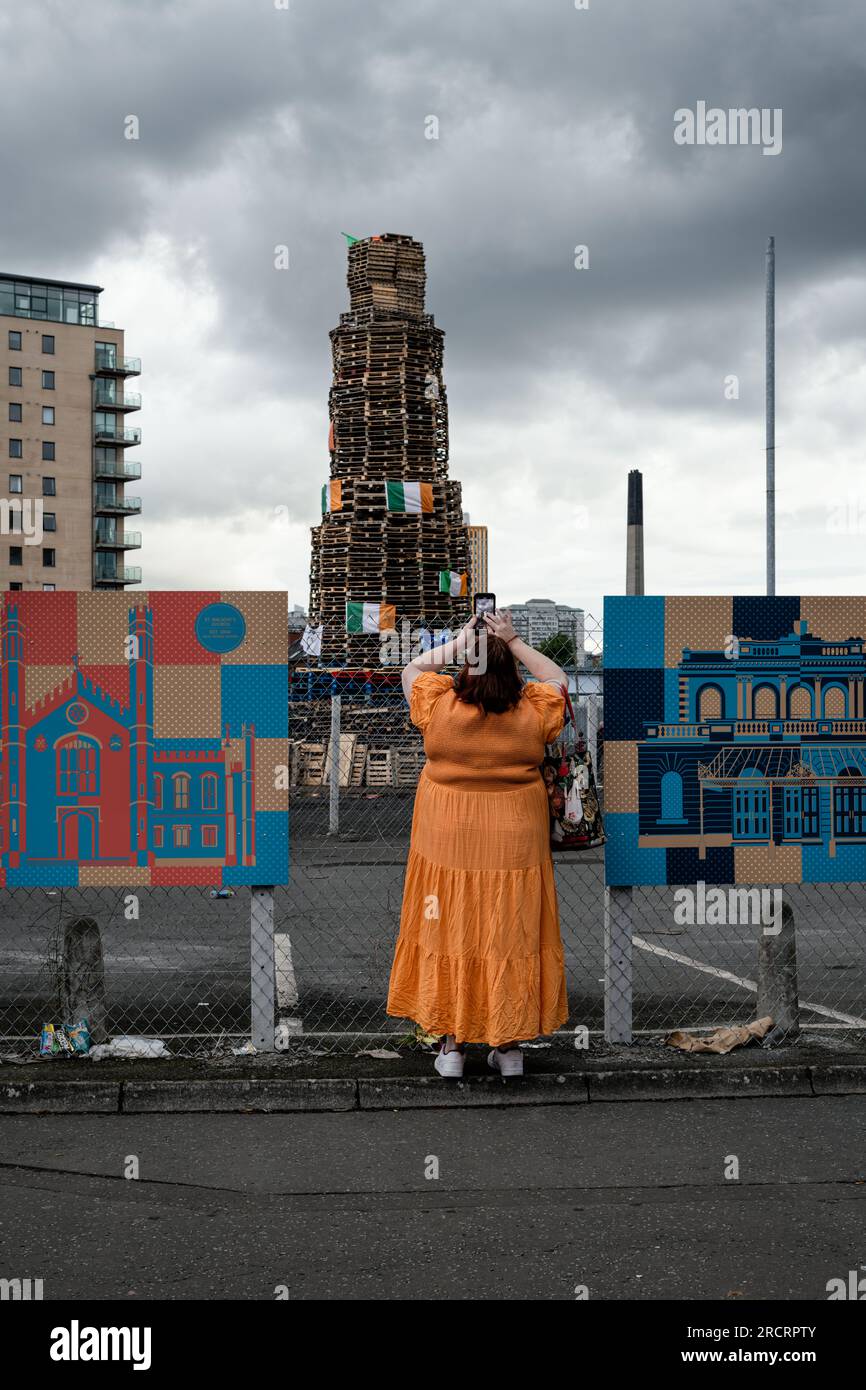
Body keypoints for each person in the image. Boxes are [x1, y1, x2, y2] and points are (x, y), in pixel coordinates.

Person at [386, 608, 569, 1078]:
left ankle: (451, 1048)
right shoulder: (532, 710)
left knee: (450, 926)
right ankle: (508, 1048)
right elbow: (559, 677)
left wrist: (461, 642)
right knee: (508, 929)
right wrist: (512, 642)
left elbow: (412, 669)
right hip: (515, 843)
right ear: (510, 666)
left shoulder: (439, 704)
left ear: (467, 665)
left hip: (447, 839)